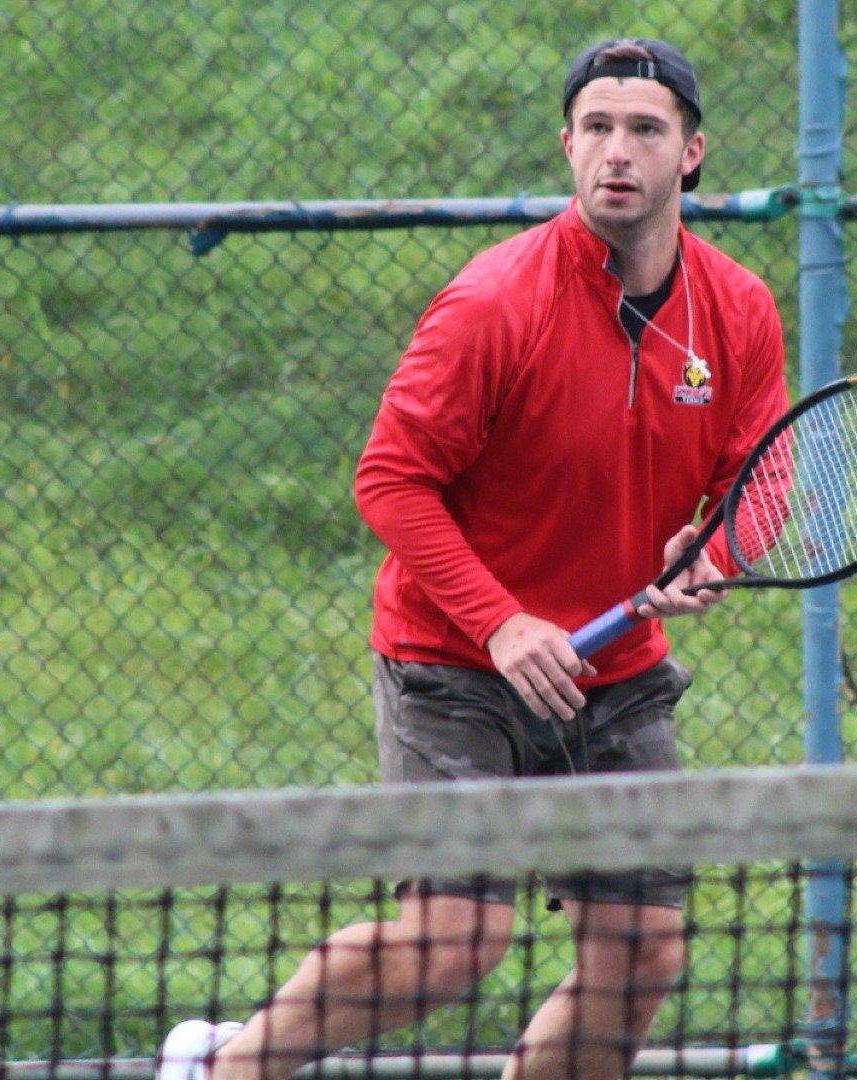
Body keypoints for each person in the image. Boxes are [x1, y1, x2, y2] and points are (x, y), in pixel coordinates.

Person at [156, 35, 789, 1080]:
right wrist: (500, 621)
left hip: (616, 673)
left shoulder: (739, 311)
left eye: (644, 129)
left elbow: (760, 477)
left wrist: (716, 548)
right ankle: (227, 1068)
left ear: (694, 154)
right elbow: (390, 480)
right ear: (566, 146)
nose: (617, 152)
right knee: (454, 943)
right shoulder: (496, 304)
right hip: (453, 664)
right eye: (595, 128)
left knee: (640, 954)